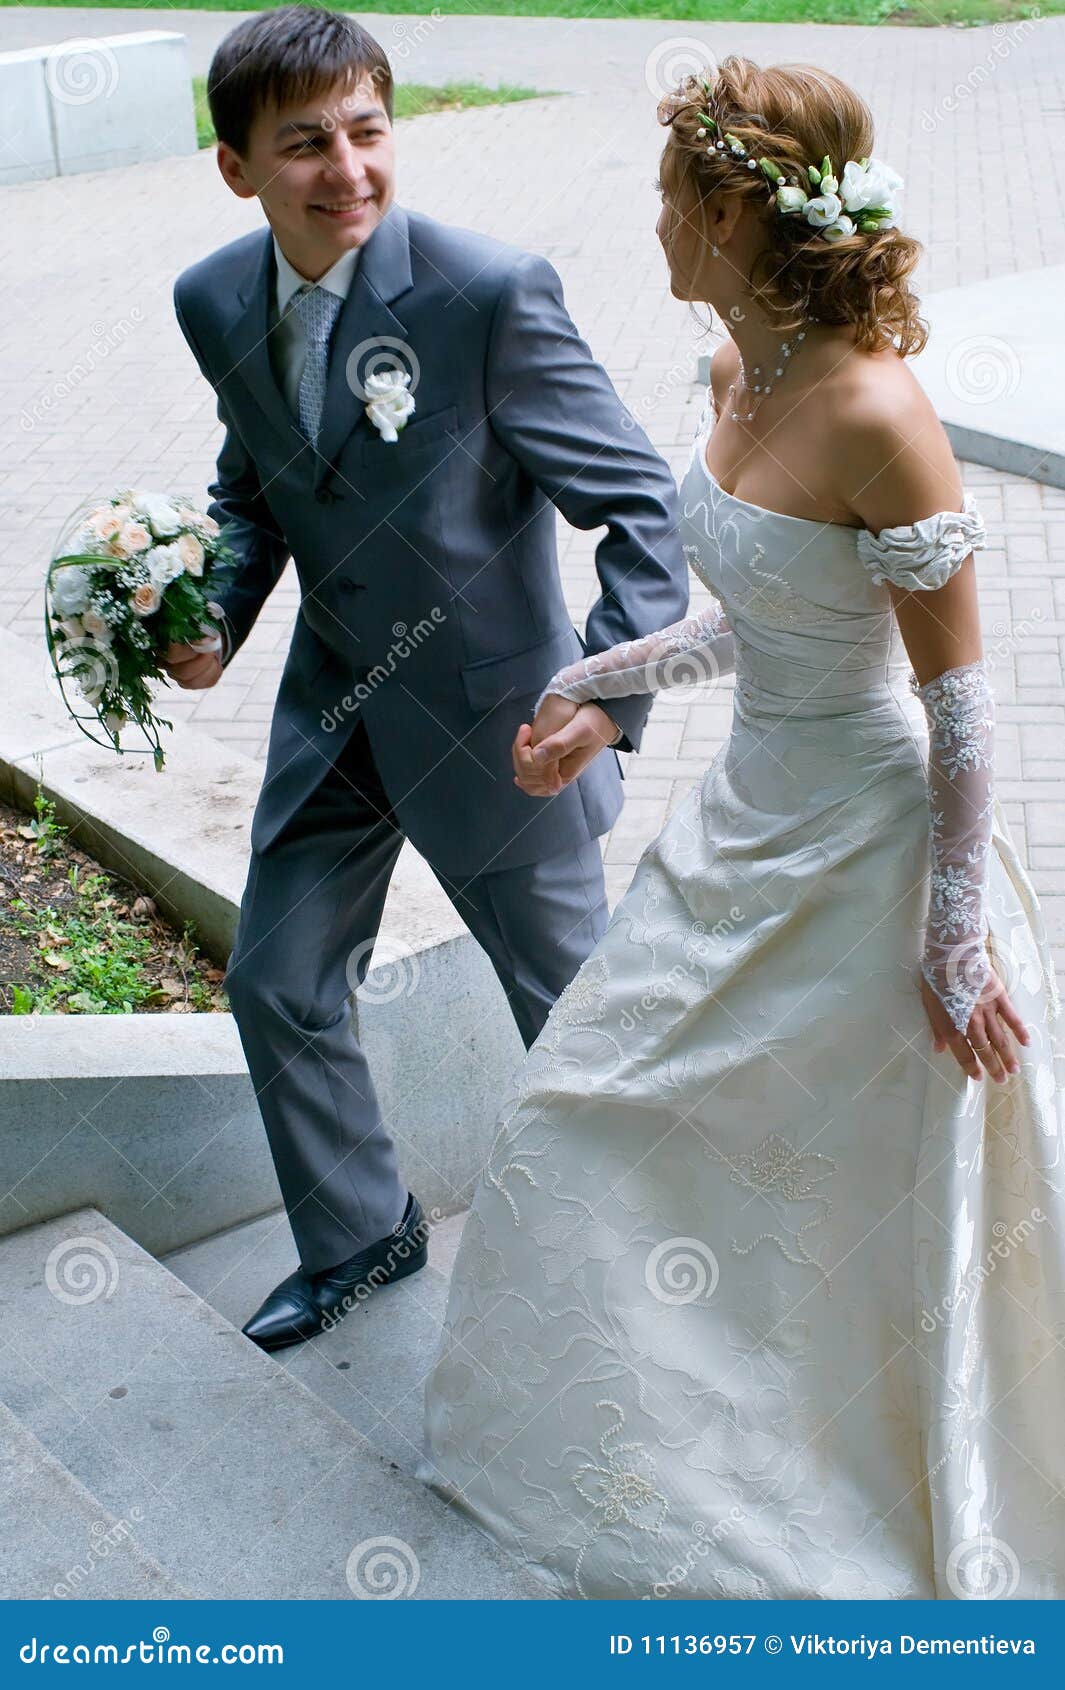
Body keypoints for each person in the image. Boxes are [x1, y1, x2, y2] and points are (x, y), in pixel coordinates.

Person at [419, 56, 1065, 1600]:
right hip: (740, 822)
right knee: (589, 1103)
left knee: (837, 1201)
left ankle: (838, 1469)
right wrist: (589, 679)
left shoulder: (875, 414)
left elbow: (965, 713)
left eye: (664, 197)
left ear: (724, 211)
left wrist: (949, 935)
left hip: (874, 854)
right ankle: (675, 1441)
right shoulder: (734, 374)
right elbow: (749, 617)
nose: (648, 223)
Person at [165, 5, 689, 1353]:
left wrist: (601, 692)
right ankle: (358, 1237)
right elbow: (255, 488)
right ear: (236, 167)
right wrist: (214, 616)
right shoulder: (212, 296)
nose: (346, 169)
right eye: (302, 146)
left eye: (366, 132)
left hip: (499, 724)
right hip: (332, 706)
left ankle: (651, 1295)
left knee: (575, 1028)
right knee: (275, 979)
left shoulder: (486, 290)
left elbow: (643, 508)